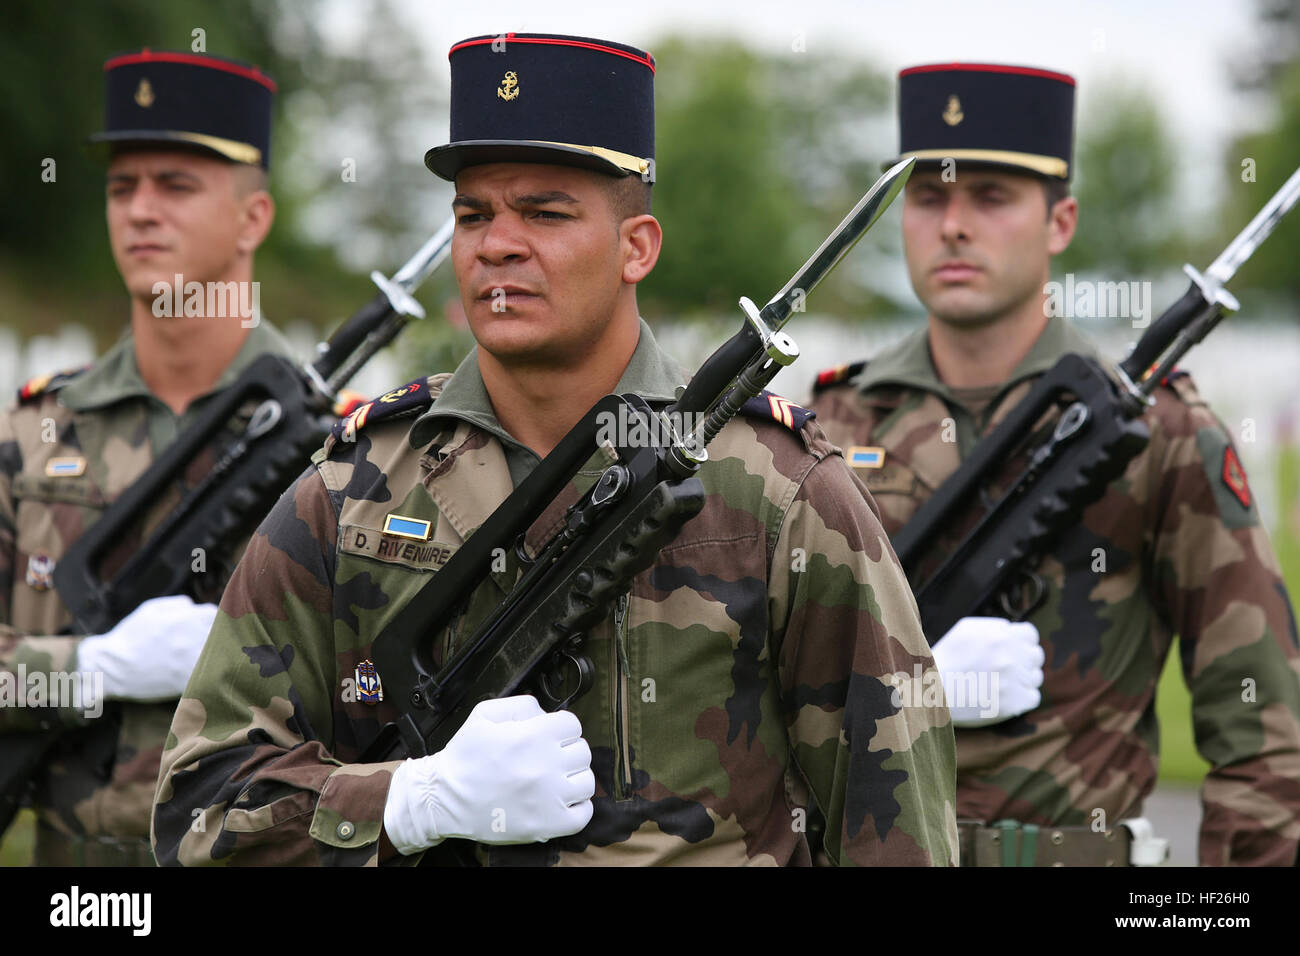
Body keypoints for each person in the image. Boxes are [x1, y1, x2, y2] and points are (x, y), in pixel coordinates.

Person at [152, 32, 957, 867]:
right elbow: (197, 816)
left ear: (636, 246)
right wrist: (405, 803)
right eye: (473, 215)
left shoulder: (781, 491)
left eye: (545, 212)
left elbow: (896, 834)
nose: (497, 243)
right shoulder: (354, 486)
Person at [809, 62, 1300, 866]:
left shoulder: (1162, 430)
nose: (954, 225)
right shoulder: (831, 424)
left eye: (992, 198)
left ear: (1061, 221)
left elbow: (1260, 729)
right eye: (929, 197)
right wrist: (905, 674)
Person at [0, 49, 296, 865]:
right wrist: (85, 668)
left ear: (253, 218)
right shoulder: (31, 436)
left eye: (175, 185)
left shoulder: (336, 448)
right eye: (121, 187)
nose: (139, 211)